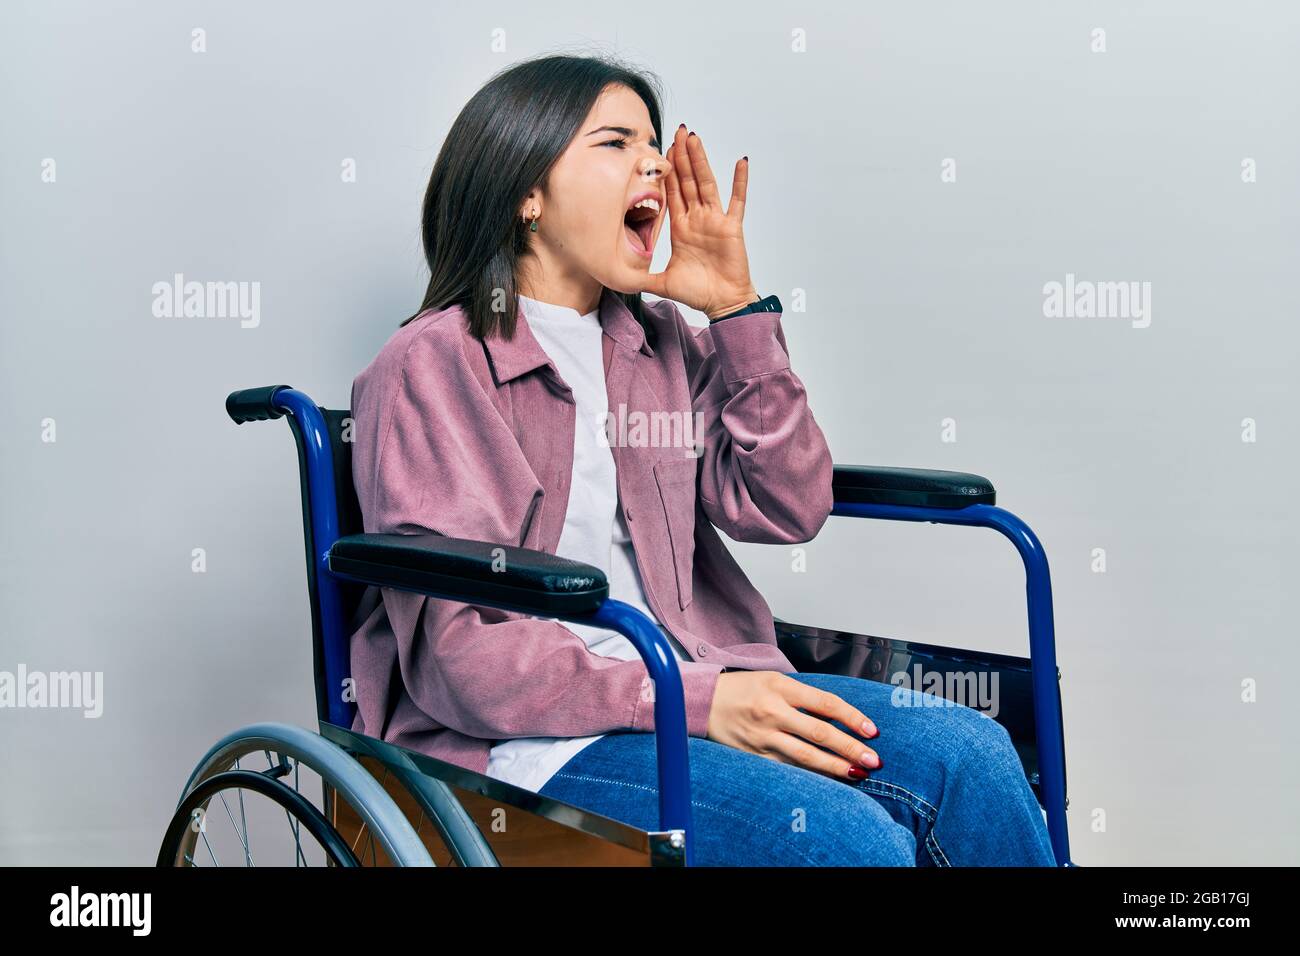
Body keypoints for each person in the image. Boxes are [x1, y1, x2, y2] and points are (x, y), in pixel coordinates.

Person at [347, 52, 1056, 866]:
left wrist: (734, 311)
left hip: (708, 677)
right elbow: (459, 657)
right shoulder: (433, 365)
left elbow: (788, 509)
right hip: (531, 736)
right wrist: (693, 701)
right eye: (615, 143)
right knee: (843, 837)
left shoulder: (654, 344)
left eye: (654, 143)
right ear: (526, 195)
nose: (652, 162)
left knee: (972, 754)